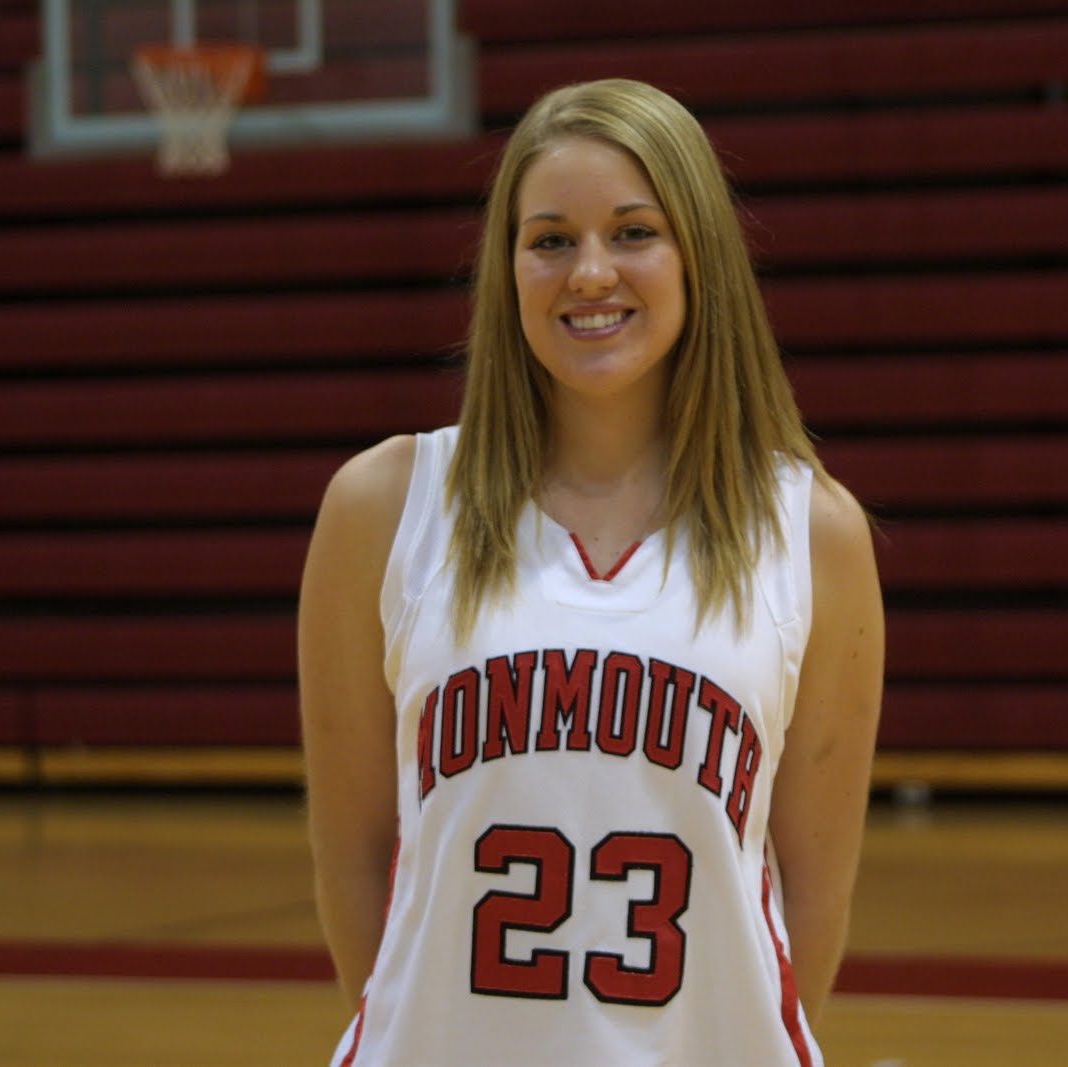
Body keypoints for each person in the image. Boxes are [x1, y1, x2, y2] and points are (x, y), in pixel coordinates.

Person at [298, 78, 884, 1067]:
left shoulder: (811, 530)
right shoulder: (383, 507)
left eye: (633, 231)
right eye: (551, 239)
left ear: (697, 252)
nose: (590, 272)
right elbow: (353, 861)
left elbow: (812, 902)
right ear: (507, 266)